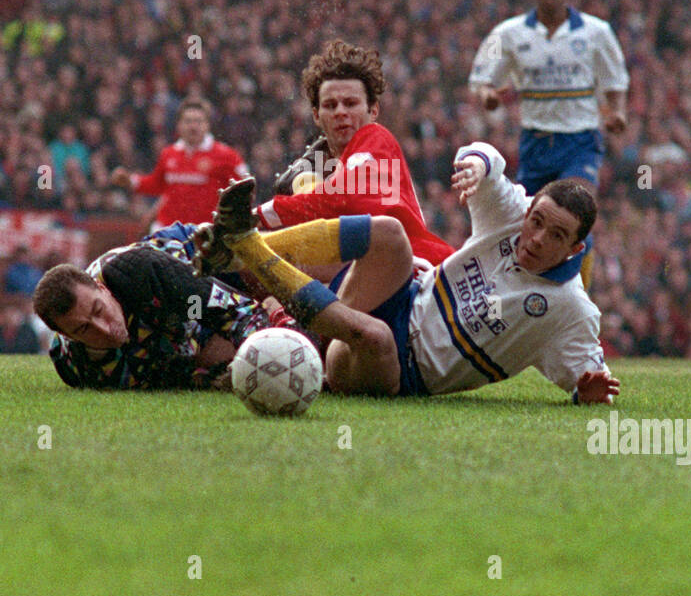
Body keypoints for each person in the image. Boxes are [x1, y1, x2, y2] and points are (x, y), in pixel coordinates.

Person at [195, 142, 622, 404]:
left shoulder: (570, 309)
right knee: (390, 233)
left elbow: (588, 376)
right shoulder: (512, 214)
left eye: (557, 235)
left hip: (400, 368)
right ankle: (236, 252)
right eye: (538, 221)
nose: (537, 238)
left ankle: (247, 248)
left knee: (376, 338)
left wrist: (587, 393)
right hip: (405, 297)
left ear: (576, 248)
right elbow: (487, 156)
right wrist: (477, 163)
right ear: (530, 210)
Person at [212, 39, 454, 274]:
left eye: (350, 103)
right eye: (330, 105)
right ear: (316, 116)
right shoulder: (320, 166)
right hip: (365, 284)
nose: (340, 112)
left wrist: (258, 216)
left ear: (373, 110)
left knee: (253, 258)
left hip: (420, 277)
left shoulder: (377, 139)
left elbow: (345, 199)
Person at [469, 0, 629, 288]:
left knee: (578, 210)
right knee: (528, 220)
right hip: (536, 141)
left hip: (580, 140)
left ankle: (578, 294)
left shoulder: (596, 32)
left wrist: (618, 112)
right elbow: (482, 76)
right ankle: (517, 288)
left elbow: (615, 82)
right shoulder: (510, 33)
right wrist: (488, 95)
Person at [31, 224, 296, 390]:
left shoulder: (141, 272)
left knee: (281, 269)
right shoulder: (76, 368)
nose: (105, 329)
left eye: (98, 311)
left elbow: (240, 314)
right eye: (84, 329)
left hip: (194, 266)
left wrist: (267, 356)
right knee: (214, 357)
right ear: (67, 337)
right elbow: (179, 374)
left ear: (102, 289)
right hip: (185, 330)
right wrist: (212, 376)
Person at [111, 98, 249, 234]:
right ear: (179, 125)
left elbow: (245, 188)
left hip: (205, 234)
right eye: (188, 121)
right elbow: (157, 184)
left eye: (198, 121)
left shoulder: (226, 155)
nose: (193, 126)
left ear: (207, 125)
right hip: (168, 231)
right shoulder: (169, 153)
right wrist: (130, 180)